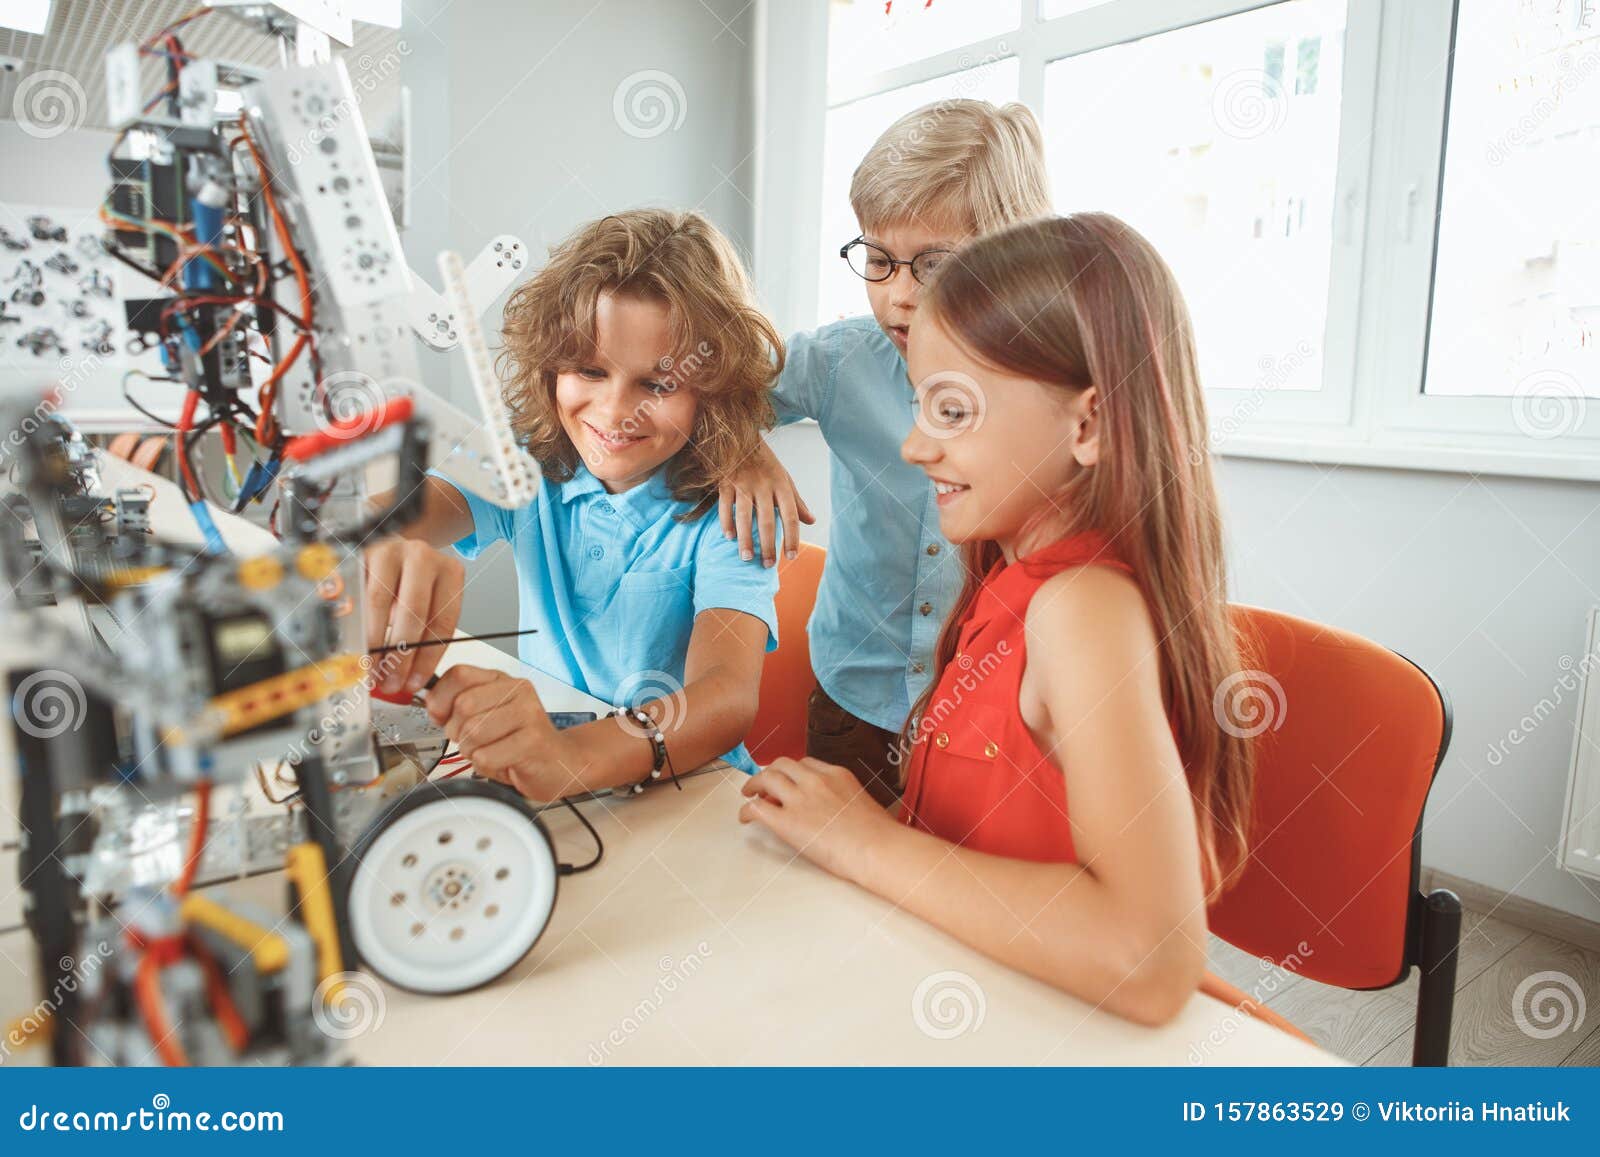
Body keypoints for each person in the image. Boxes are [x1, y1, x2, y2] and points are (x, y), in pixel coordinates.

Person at [739, 214, 1255, 1025]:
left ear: (1085, 425)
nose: (914, 446)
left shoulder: (1082, 608)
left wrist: (863, 839)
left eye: (951, 411)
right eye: (920, 407)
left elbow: (1150, 960)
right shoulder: (1004, 578)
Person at [364, 209, 784, 799]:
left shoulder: (732, 509)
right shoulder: (523, 459)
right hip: (553, 774)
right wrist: (373, 551)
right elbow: (390, 519)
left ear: (711, 391)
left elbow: (725, 697)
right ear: (550, 365)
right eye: (590, 370)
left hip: (685, 792)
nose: (616, 413)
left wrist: (571, 757)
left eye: (657, 384)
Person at [718, 99, 1053, 807]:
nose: (899, 296)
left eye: (934, 265)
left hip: (994, 715)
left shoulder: (1049, 396)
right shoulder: (840, 360)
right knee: (844, 897)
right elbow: (697, 396)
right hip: (855, 698)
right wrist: (741, 446)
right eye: (877, 261)